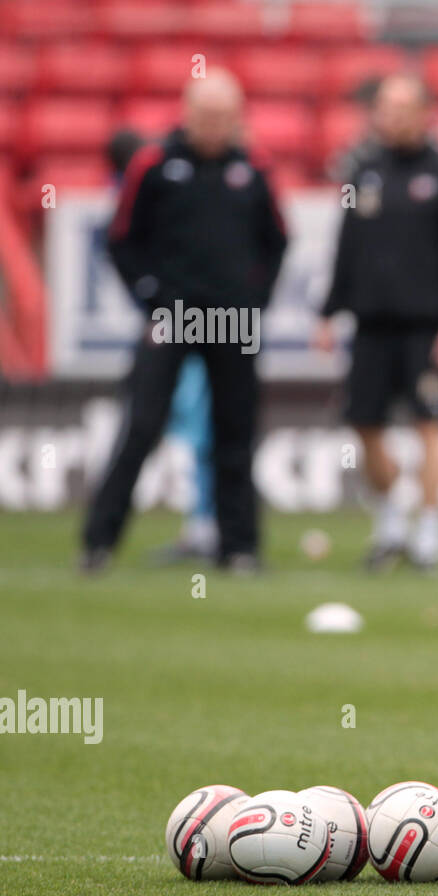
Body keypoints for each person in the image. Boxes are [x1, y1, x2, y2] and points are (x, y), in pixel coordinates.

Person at [82, 69, 286, 573]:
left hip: (233, 320)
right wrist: (149, 298)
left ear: (238, 118)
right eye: (207, 114)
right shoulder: (153, 164)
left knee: (234, 431)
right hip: (170, 317)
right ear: (187, 112)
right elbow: (121, 238)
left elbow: (277, 240)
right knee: (142, 424)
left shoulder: (254, 168)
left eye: (225, 116)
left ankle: (238, 547)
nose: (216, 125)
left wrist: (253, 301)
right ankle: (98, 543)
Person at [315, 74, 438, 573]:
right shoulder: (361, 169)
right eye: (383, 108)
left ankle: (429, 537)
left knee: (429, 423)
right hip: (370, 324)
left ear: (425, 112)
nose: (390, 117)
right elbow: (345, 246)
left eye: (401, 108)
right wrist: (329, 311)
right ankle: (391, 524)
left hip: (426, 327)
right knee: (365, 424)